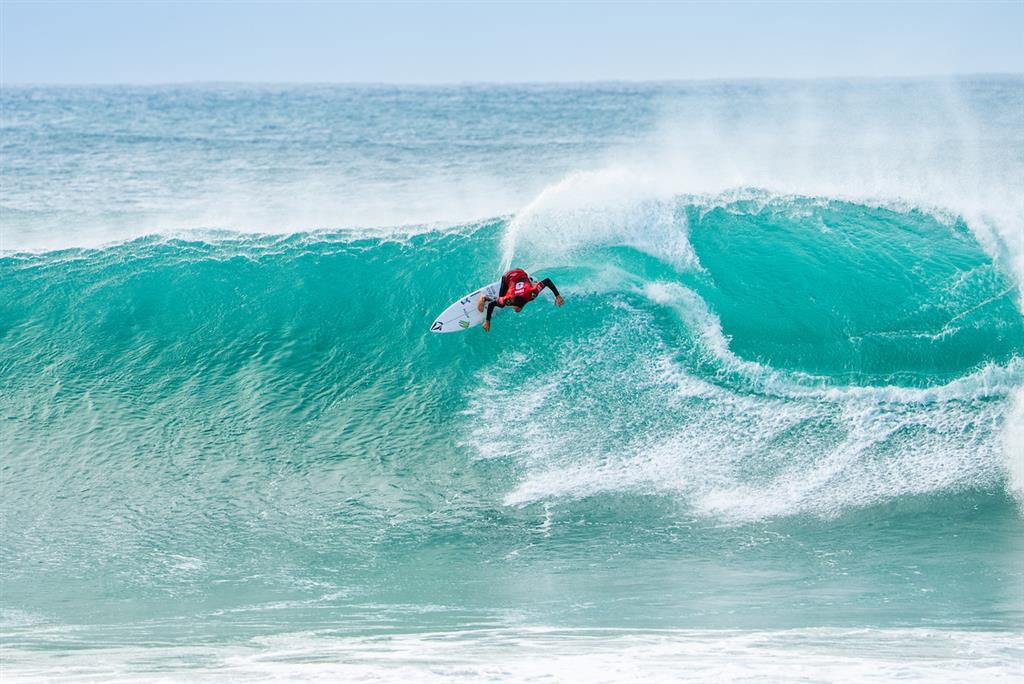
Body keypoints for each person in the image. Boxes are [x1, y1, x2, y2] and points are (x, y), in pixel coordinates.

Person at [477, 268, 564, 332]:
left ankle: (530, 280)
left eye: (514, 307)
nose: (514, 308)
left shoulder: (532, 294)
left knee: (529, 287)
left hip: (522, 273)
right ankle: (484, 297)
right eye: (513, 307)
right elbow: (492, 304)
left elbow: (547, 281)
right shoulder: (508, 299)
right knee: (500, 302)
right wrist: (487, 321)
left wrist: (558, 296)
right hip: (508, 275)